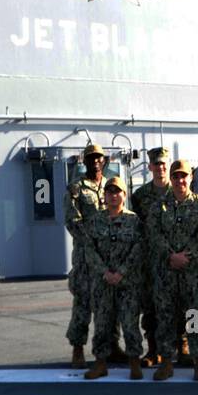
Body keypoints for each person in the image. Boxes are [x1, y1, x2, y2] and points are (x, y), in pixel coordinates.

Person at [149, 160, 198, 381]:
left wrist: (185, 257)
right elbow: (154, 235)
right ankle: (166, 362)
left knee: (193, 316)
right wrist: (171, 255)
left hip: (193, 273)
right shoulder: (159, 206)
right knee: (165, 318)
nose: (179, 181)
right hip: (166, 272)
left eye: (183, 176)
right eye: (175, 176)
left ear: (191, 177)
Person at [82, 176, 145, 380]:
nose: (113, 195)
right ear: (104, 196)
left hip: (127, 282)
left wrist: (121, 272)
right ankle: (100, 363)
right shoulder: (95, 220)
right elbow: (89, 250)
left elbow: (138, 249)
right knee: (102, 324)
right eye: (109, 192)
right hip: (103, 282)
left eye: (117, 192)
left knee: (130, 323)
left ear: (124, 195)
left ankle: (134, 362)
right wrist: (105, 272)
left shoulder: (133, 220)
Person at [65, 142, 108, 368]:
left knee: (106, 305)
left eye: (99, 158)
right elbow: (72, 222)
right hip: (84, 257)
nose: (95, 162)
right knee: (82, 303)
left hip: (108, 256)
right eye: (91, 158)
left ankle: (110, 346)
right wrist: (94, 239)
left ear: (105, 161)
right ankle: (78, 348)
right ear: (85, 161)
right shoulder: (76, 188)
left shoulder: (112, 187)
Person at [131, 146, 171, 366]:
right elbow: (136, 228)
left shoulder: (178, 190)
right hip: (149, 260)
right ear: (150, 167)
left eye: (164, 163)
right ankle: (153, 348)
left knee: (180, 304)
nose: (160, 168)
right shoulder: (140, 196)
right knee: (150, 306)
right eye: (156, 164)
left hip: (173, 259)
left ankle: (183, 344)